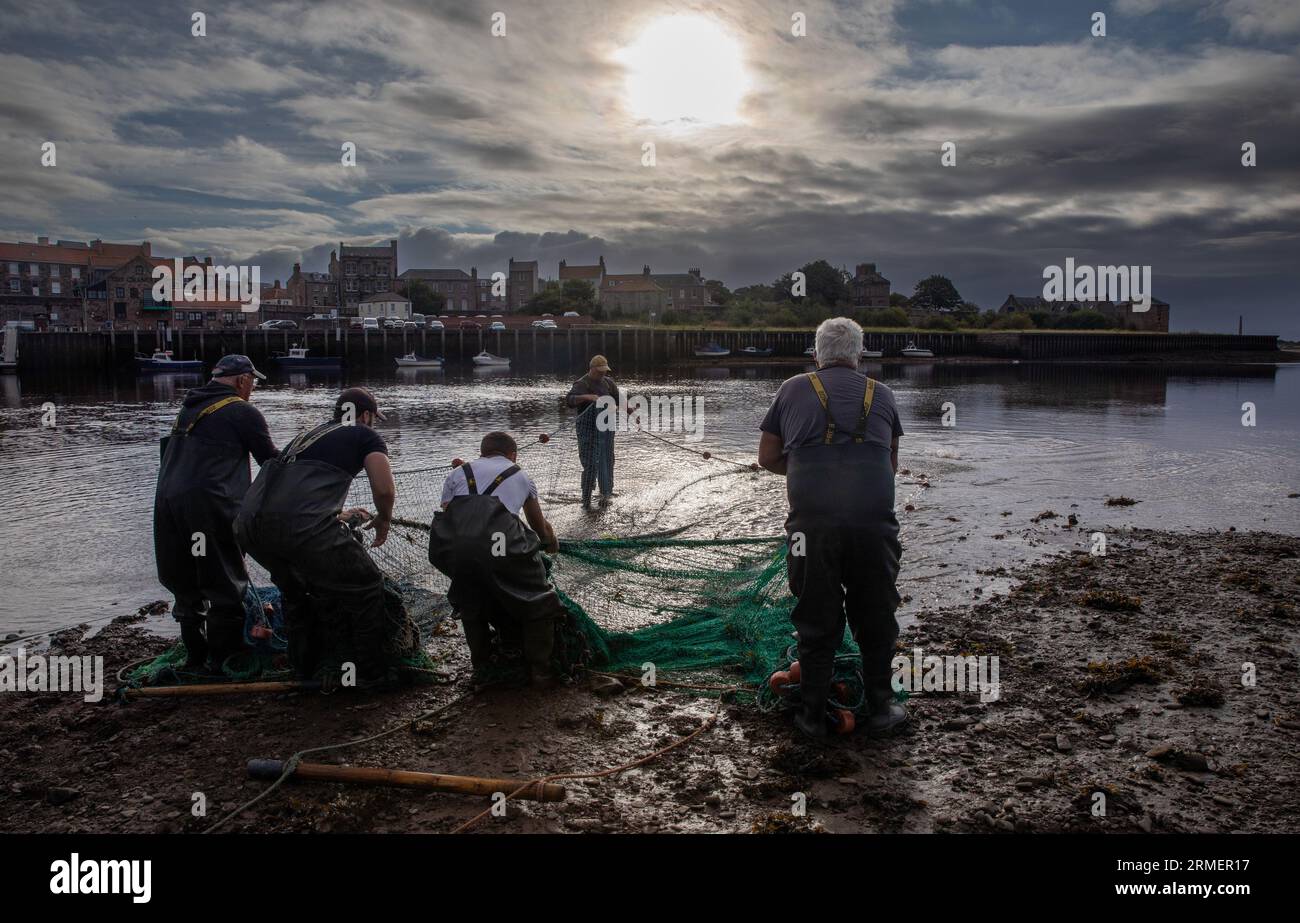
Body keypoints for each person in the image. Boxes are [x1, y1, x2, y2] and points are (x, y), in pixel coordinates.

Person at [757, 317, 908, 740]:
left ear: (815, 356)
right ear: (859, 356)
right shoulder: (885, 394)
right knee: (876, 613)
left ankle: (811, 717)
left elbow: (767, 456)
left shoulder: (791, 389)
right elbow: (890, 465)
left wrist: (808, 466)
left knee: (816, 615)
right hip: (873, 526)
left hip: (811, 528)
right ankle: (881, 707)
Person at [235, 387, 419, 685]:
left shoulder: (307, 436)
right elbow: (384, 489)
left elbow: (291, 494)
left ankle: (305, 670)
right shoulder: (364, 434)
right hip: (300, 529)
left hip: (250, 526)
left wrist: (341, 515)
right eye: (373, 418)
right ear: (366, 415)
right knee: (366, 585)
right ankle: (372, 673)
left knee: (296, 592)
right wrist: (384, 518)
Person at [154, 354, 277, 670]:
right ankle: (225, 659)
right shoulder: (243, 412)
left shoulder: (188, 408)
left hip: (167, 505)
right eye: (253, 382)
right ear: (241, 380)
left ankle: (195, 656)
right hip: (209, 507)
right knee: (224, 583)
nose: (253, 389)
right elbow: (271, 463)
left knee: (185, 581)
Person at [428, 431, 565, 687]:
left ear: (482, 452)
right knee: (540, 601)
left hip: (453, 549)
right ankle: (541, 671)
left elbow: (453, 516)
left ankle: (481, 668)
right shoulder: (520, 474)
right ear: (513, 455)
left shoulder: (458, 473)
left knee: (471, 602)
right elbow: (538, 527)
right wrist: (552, 542)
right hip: (502, 547)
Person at [565, 355, 618, 509]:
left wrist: (631, 412)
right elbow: (569, 400)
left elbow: (619, 400)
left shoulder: (609, 383)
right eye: (600, 371)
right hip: (587, 429)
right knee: (590, 464)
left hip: (606, 429)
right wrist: (587, 397)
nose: (603, 374)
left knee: (608, 460)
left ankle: (606, 494)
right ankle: (586, 500)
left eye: (604, 371)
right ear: (592, 369)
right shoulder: (582, 383)